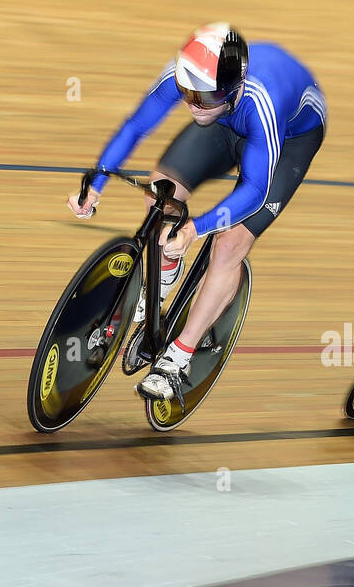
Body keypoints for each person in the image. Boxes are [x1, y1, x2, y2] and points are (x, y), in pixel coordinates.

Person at [67, 22, 326, 401]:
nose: (190, 104)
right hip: (225, 120)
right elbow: (136, 126)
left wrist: (196, 229)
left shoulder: (260, 99)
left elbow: (255, 190)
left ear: (230, 89)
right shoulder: (193, 76)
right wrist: (96, 183)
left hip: (289, 138)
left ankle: (179, 357)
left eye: (200, 97)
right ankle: (167, 272)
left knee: (229, 243)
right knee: (161, 190)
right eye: (185, 92)